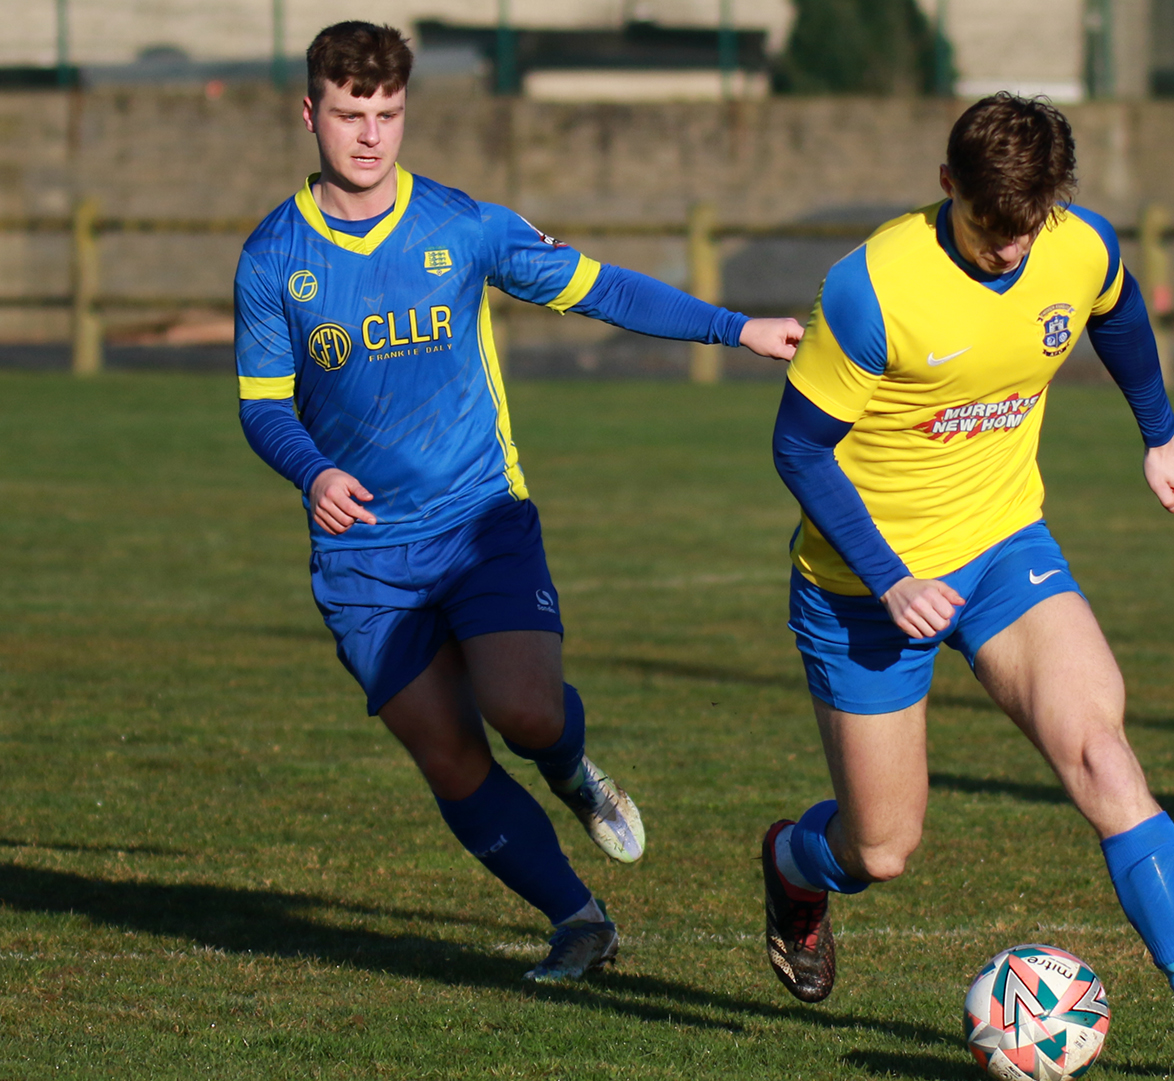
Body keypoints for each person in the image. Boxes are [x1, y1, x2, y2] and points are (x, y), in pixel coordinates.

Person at [234, 21, 802, 982]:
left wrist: (733, 326)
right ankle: (579, 920)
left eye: (387, 113)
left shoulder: (461, 226)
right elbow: (260, 408)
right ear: (309, 114)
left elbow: (598, 289)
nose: (370, 135)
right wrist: (314, 471)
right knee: (449, 756)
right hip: (364, 553)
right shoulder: (272, 257)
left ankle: (573, 770)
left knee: (526, 712)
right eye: (348, 114)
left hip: (477, 520)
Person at [759, 94, 1174, 1081]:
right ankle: (794, 866)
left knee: (1103, 754)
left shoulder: (1077, 246)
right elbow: (799, 448)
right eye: (990, 227)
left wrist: (1158, 434)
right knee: (882, 849)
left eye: (1025, 229)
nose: (1008, 251)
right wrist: (891, 577)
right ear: (947, 185)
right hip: (864, 587)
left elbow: (1118, 313)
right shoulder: (872, 288)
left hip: (1004, 549)